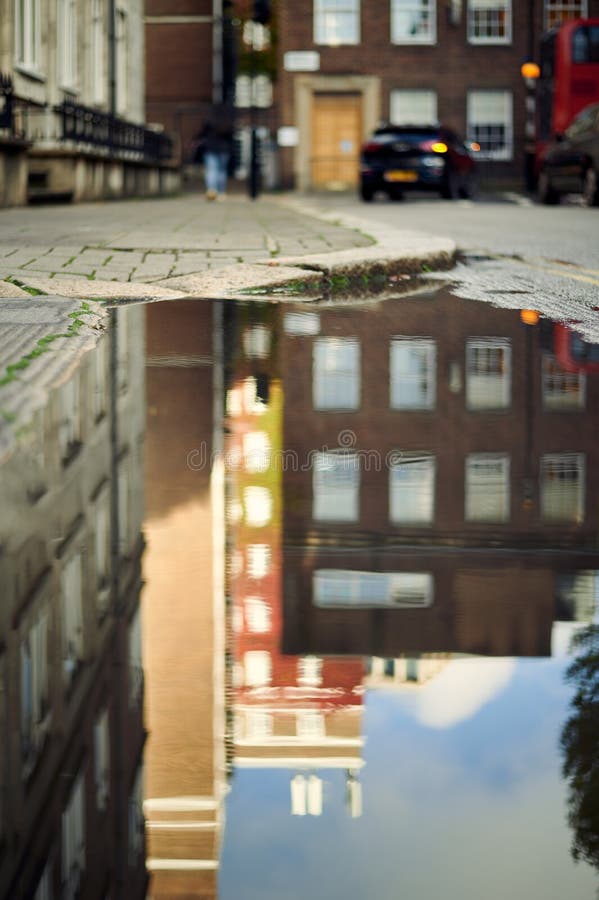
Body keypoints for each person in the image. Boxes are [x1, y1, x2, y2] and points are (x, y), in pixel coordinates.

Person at [196, 112, 233, 201]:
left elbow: (201, 134)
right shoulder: (227, 123)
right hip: (223, 149)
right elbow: (231, 136)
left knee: (212, 170)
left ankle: (211, 190)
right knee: (221, 171)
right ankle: (221, 192)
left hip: (210, 148)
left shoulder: (208, 122)